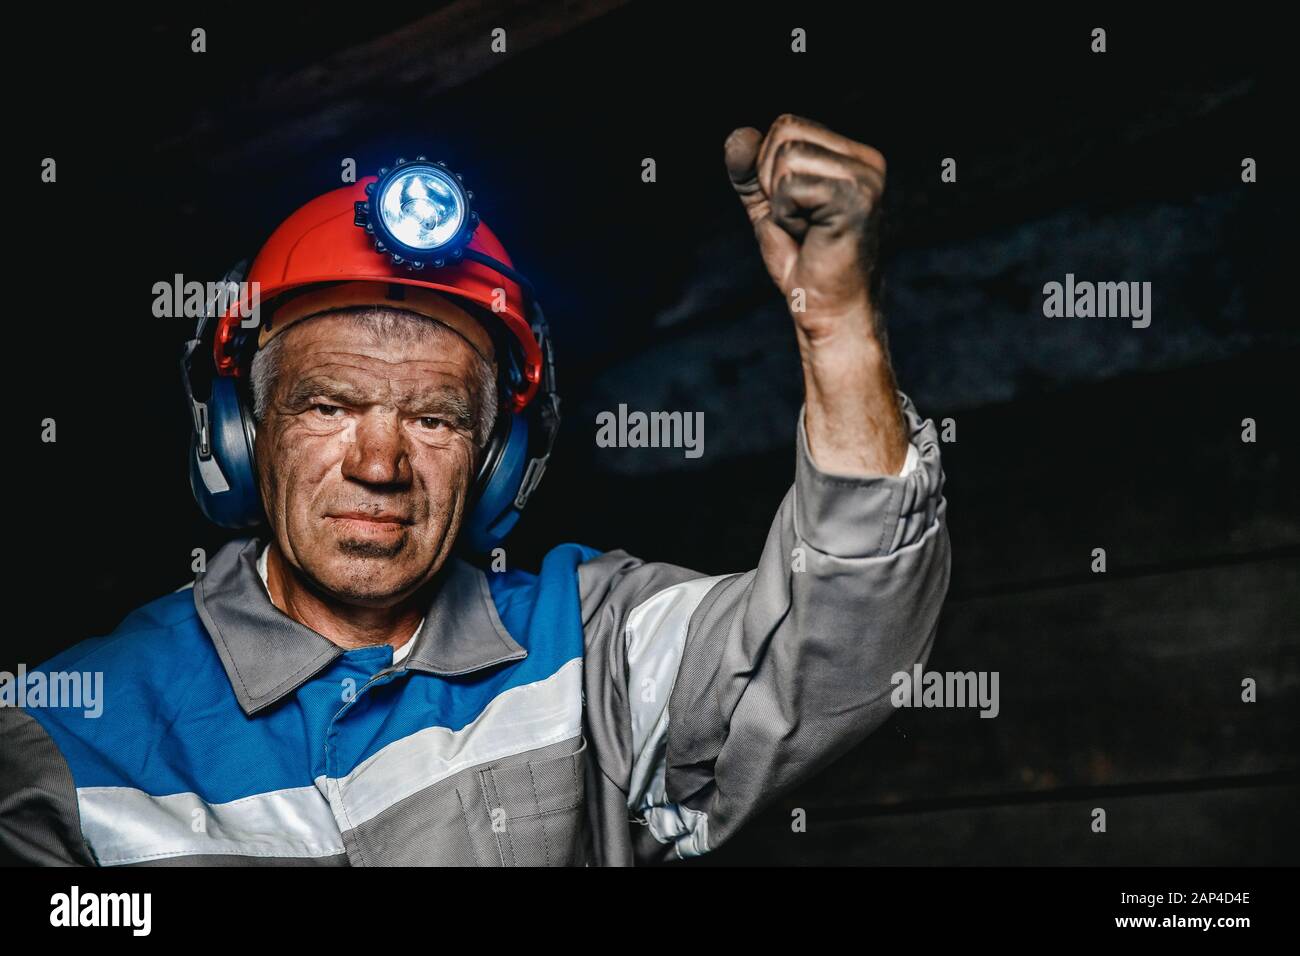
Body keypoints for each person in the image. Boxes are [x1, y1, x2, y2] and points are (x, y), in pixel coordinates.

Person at [0, 115, 950, 866]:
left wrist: (838, 328)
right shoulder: (65, 736)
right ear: (240, 436)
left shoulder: (592, 648)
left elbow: (841, 645)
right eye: (329, 406)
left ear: (499, 460)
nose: (380, 463)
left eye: (437, 420)